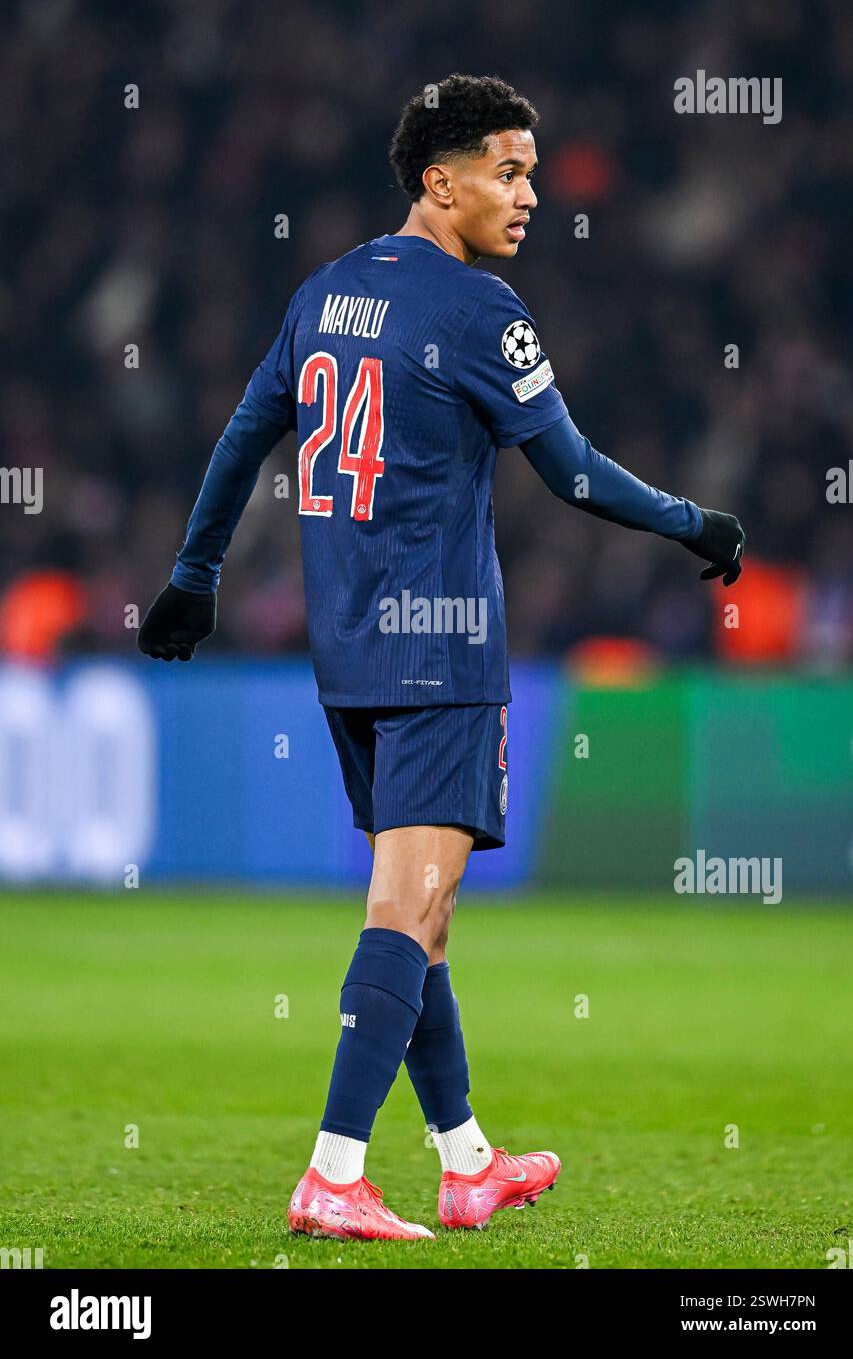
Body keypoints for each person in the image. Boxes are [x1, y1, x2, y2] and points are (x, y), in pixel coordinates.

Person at [138, 73, 745, 1242]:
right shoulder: (479, 310)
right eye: (508, 172)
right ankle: (333, 1172)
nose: (529, 195)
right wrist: (692, 523)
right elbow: (570, 471)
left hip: (348, 649)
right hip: (444, 650)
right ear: (439, 180)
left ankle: (465, 1161)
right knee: (406, 909)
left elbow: (245, 435)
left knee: (422, 915)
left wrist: (195, 574)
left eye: (531, 174)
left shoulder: (324, 292)